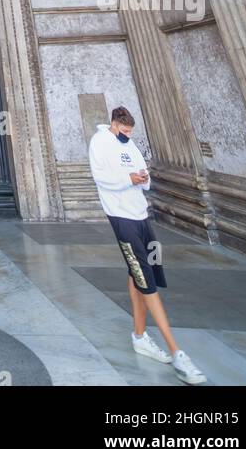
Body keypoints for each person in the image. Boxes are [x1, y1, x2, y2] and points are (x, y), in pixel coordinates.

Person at [88, 107, 206, 385]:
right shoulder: (99, 143)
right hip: (121, 217)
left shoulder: (131, 145)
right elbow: (100, 177)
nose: (128, 135)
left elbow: (144, 174)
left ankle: (140, 336)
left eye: (131, 132)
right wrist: (128, 179)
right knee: (145, 281)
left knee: (139, 272)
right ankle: (177, 352)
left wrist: (141, 178)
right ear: (115, 125)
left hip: (141, 214)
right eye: (125, 131)